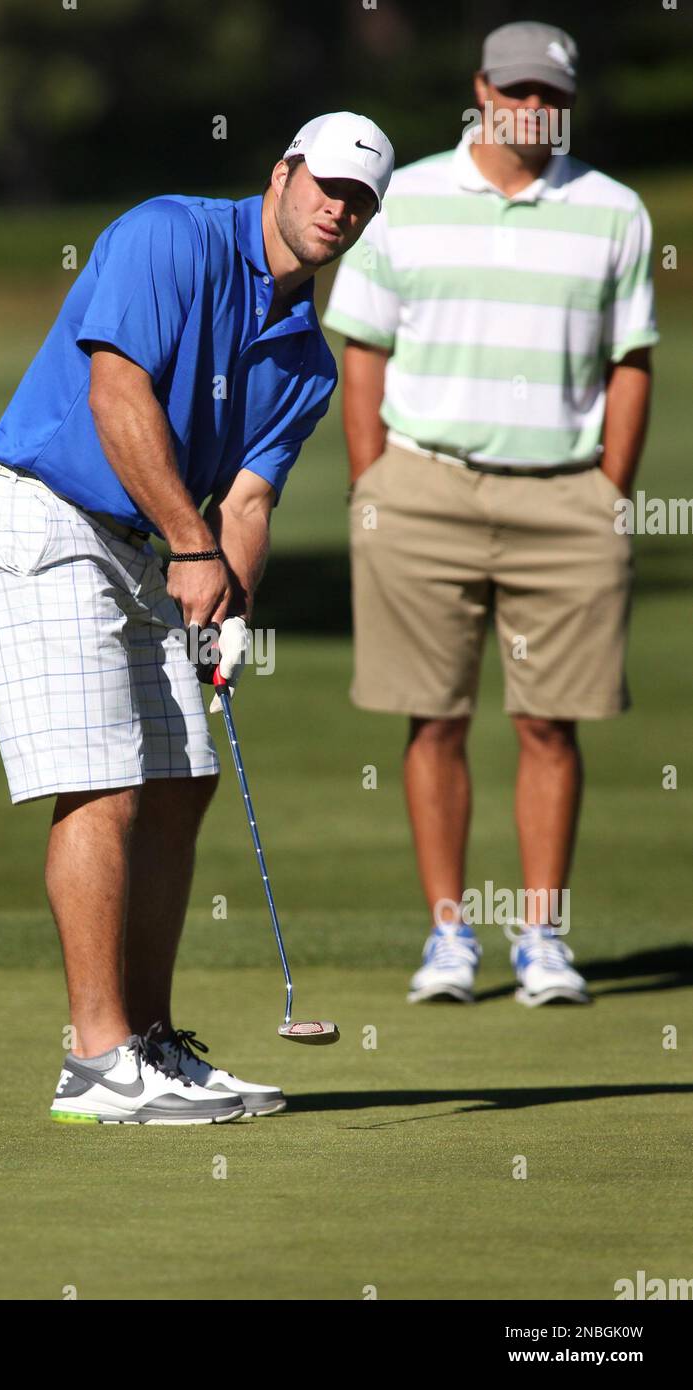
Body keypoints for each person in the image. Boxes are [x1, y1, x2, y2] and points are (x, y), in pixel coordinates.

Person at [0, 112, 393, 1121]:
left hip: (149, 541)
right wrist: (191, 551)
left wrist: (227, 597)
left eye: (361, 200)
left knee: (182, 775)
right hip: (34, 515)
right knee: (104, 780)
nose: (339, 208)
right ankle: (98, 1064)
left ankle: (149, 1043)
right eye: (326, 184)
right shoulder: (169, 235)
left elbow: (249, 501)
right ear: (282, 173)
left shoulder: (308, 362)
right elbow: (117, 393)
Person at [324, 22, 657, 1007]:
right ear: (480, 89)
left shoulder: (615, 211)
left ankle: (543, 937)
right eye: (515, 90)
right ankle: (449, 936)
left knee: (551, 723)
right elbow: (363, 352)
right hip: (423, 484)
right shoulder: (408, 199)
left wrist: (609, 490)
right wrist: (371, 484)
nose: (532, 108)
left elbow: (630, 361)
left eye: (548, 93)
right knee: (436, 719)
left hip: (565, 494)